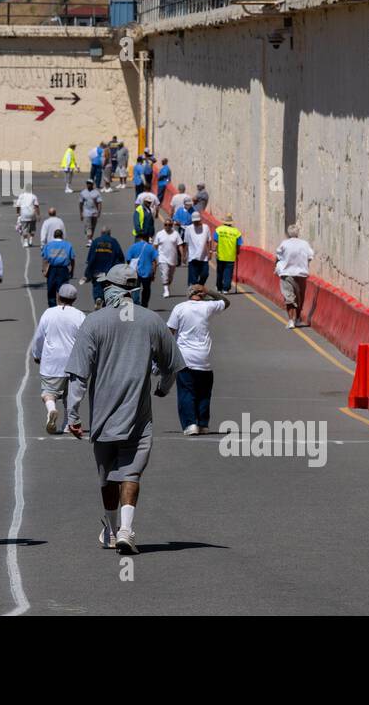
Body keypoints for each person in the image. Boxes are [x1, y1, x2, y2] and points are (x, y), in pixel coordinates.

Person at [65, 264, 183, 555]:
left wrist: (72, 413)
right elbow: (172, 365)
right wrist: (162, 388)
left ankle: (111, 527)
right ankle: (126, 530)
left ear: (111, 290)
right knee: (130, 473)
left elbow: (79, 375)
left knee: (106, 474)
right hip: (138, 415)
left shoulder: (94, 322)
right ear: (135, 291)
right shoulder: (151, 321)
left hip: (103, 417)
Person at [166, 284, 229, 435]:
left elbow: (170, 332)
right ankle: (203, 424)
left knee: (186, 392)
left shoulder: (179, 308)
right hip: (204, 358)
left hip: (185, 358)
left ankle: (190, 424)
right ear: (202, 295)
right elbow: (226, 302)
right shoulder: (208, 307)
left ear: (188, 294)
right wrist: (210, 291)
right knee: (204, 393)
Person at [32, 284, 85, 434]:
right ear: (74, 299)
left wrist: (37, 355)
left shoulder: (49, 313)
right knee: (71, 395)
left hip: (52, 361)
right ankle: (68, 423)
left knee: (48, 392)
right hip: (73, 361)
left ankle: (51, 409)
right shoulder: (80, 315)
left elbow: (39, 337)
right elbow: (86, 339)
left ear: (58, 296)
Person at [275, 224, 315, 328]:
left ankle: (291, 320)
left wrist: (279, 266)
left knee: (289, 297)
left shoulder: (284, 243)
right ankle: (297, 318)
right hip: (301, 274)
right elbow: (310, 256)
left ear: (288, 233)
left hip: (286, 274)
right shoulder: (305, 244)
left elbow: (278, 256)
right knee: (299, 297)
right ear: (298, 233)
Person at [85, 227, 125, 307]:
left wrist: (88, 272)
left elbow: (91, 257)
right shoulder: (113, 241)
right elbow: (120, 256)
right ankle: (107, 302)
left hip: (97, 270)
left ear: (101, 233)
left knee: (97, 285)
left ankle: (98, 298)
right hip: (109, 271)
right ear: (109, 233)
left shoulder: (96, 241)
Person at [41, 229, 75, 309]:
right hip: (63, 269)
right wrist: (72, 270)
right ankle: (63, 306)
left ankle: (52, 307)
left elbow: (45, 258)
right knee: (63, 289)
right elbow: (72, 259)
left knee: (51, 289)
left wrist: (44, 270)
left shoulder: (49, 245)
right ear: (62, 236)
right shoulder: (67, 245)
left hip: (52, 269)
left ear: (54, 235)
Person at [213, 214, 243, 294]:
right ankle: (226, 289)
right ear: (231, 223)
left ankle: (219, 288)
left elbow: (216, 242)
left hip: (220, 255)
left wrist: (214, 251)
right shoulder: (236, 232)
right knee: (228, 273)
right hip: (230, 256)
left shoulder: (218, 230)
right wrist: (237, 252)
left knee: (220, 272)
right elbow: (238, 244)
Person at [125, 236, 158, 308]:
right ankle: (144, 305)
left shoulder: (133, 246)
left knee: (135, 288)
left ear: (140, 238)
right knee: (146, 289)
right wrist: (154, 273)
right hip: (147, 272)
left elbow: (128, 259)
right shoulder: (151, 248)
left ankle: (136, 304)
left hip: (135, 272)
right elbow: (155, 262)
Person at [155, 220, 183, 299]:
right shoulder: (159, 234)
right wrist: (154, 257)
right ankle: (166, 290)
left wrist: (183, 255)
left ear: (172, 225)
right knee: (165, 273)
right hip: (162, 258)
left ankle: (167, 286)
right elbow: (155, 246)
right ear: (164, 225)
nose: (167, 226)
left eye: (169, 225)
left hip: (172, 258)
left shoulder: (176, 234)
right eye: (166, 224)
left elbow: (180, 245)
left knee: (170, 275)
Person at [184, 212, 213, 288]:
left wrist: (210, 252)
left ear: (200, 219)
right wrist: (184, 255)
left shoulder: (206, 227)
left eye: (197, 220)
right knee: (194, 278)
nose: (196, 222)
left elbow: (209, 240)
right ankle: (194, 292)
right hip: (192, 257)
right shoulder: (188, 229)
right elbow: (186, 243)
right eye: (194, 221)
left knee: (205, 274)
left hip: (204, 257)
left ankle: (200, 286)